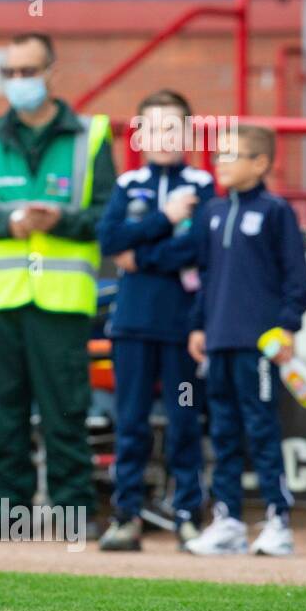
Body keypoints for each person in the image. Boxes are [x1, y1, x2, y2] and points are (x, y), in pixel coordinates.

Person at [0, 32, 114, 540]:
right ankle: (7, 516)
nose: (19, 82)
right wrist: (11, 223)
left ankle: (75, 513)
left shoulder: (92, 134)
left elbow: (109, 216)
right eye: (12, 73)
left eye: (29, 71)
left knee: (66, 413)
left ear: (52, 73)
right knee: (3, 413)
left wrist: (58, 221)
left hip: (62, 303)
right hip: (1, 300)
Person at [96, 90, 214, 551]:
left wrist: (141, 256)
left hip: (183, 328)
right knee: (131, 424)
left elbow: (197, 248)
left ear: (187, 134)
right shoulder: (128, 185)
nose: (163, 137)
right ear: (140, 135)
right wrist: (164, 218)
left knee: (184, 424)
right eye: (154, 127)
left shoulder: (202, 185)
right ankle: (125, 517)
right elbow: (109, 238)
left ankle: (187, 515)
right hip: (132, 327)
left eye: (173, 127)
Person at [185, 126, 306, 556]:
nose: (220, 162)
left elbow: (295, 275)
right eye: (217, 155)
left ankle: (278, 521)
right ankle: (229, 520)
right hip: (217, 341)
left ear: (260, 163)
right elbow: (205, 276)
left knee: (262, 428)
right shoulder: (212, 212)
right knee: (222, 431)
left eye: (230, 155)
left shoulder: (276, 212)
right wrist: (199, 326)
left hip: (258, 344)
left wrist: (288, 325)